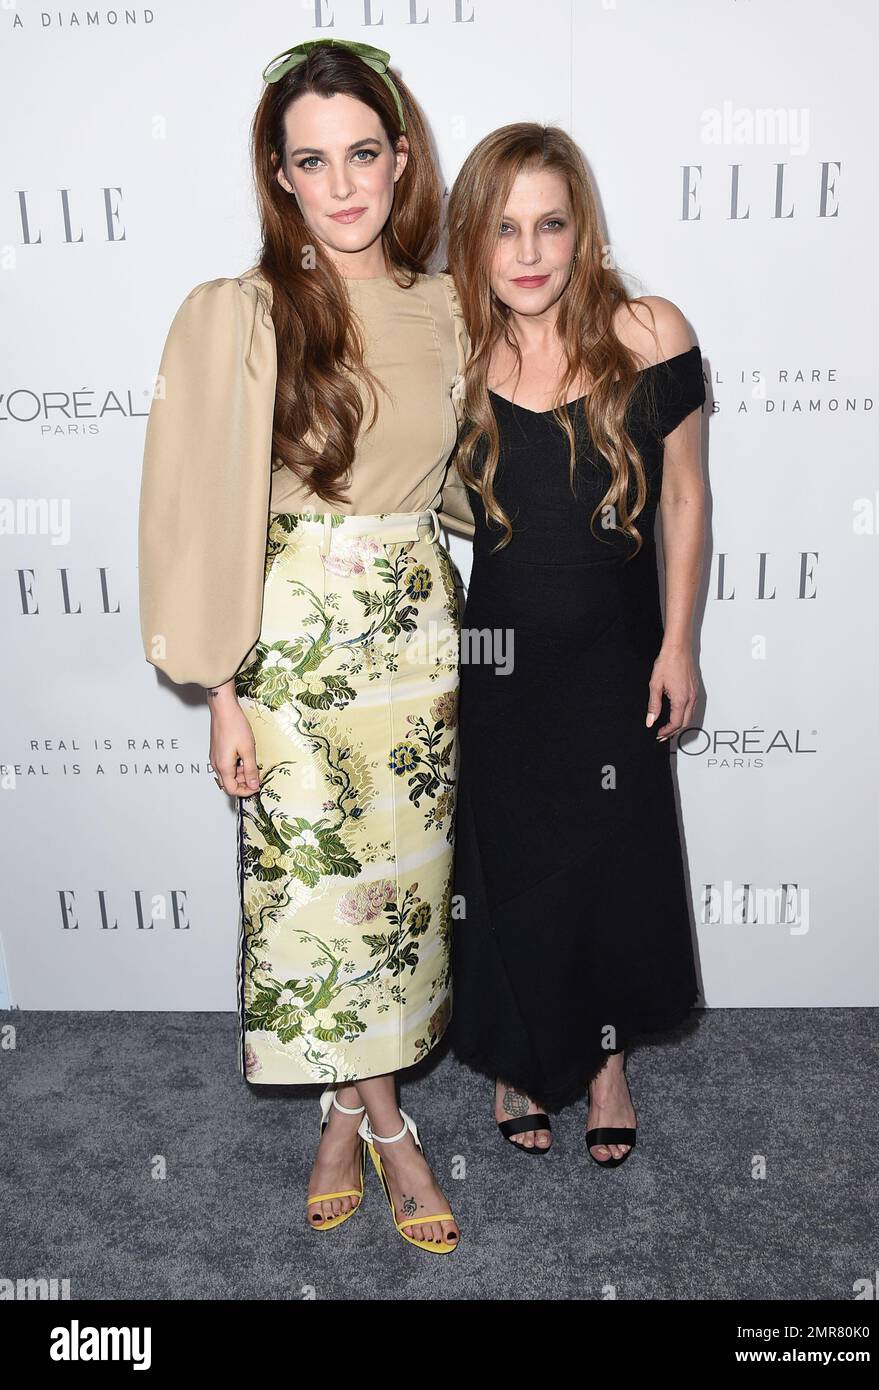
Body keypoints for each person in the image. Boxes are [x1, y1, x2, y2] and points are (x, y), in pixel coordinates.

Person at [138, 38, 475, 1252]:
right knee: (311, 900)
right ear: (278, 177)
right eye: (310, 161)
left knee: (396, 904)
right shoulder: (244, 313)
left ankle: (341, 1107)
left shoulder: (451, 307)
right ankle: (392, 1133)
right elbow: (201, 503)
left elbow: (474, 482)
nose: (341, 185)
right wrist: (222, 691)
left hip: (415, 639)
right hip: (292, 641)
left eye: (363, 154)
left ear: (400, 157)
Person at [444, 124, 705, 1165]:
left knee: (607, 854)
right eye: (503, 227)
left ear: (579, 226)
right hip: (498, 650)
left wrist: (678, 643)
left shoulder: (647, 331)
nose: (528, 251)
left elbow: (684, 496)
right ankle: (515, 1056)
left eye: (549, 222)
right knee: (509, 859)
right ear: (473, 237)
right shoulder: (456, 348)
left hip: (616, 638)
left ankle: (603, 1066)